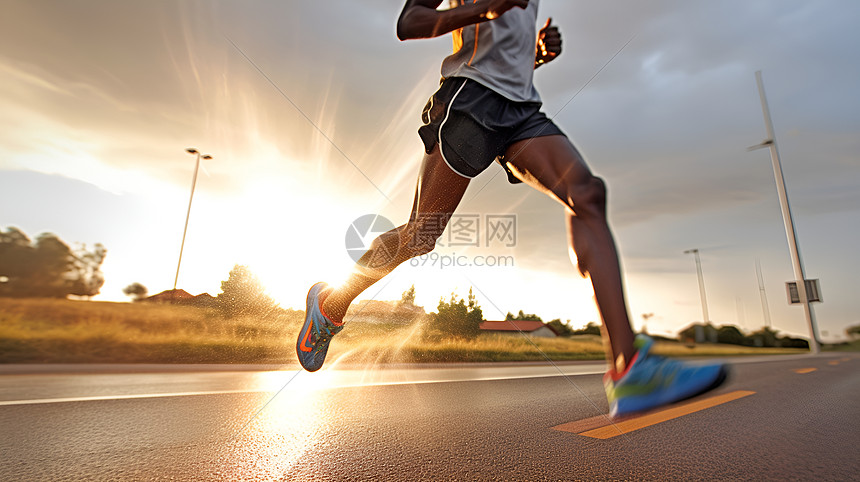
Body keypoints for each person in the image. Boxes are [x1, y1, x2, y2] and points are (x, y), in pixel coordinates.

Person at [296, 0, 727, 418]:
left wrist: (535, 56)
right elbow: (409, 21)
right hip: (469, 99)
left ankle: (629, 368)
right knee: (421, 235)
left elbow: (503, 50)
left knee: (588, 194)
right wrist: (485, 8)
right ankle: (332, 302)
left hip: (521, 110)